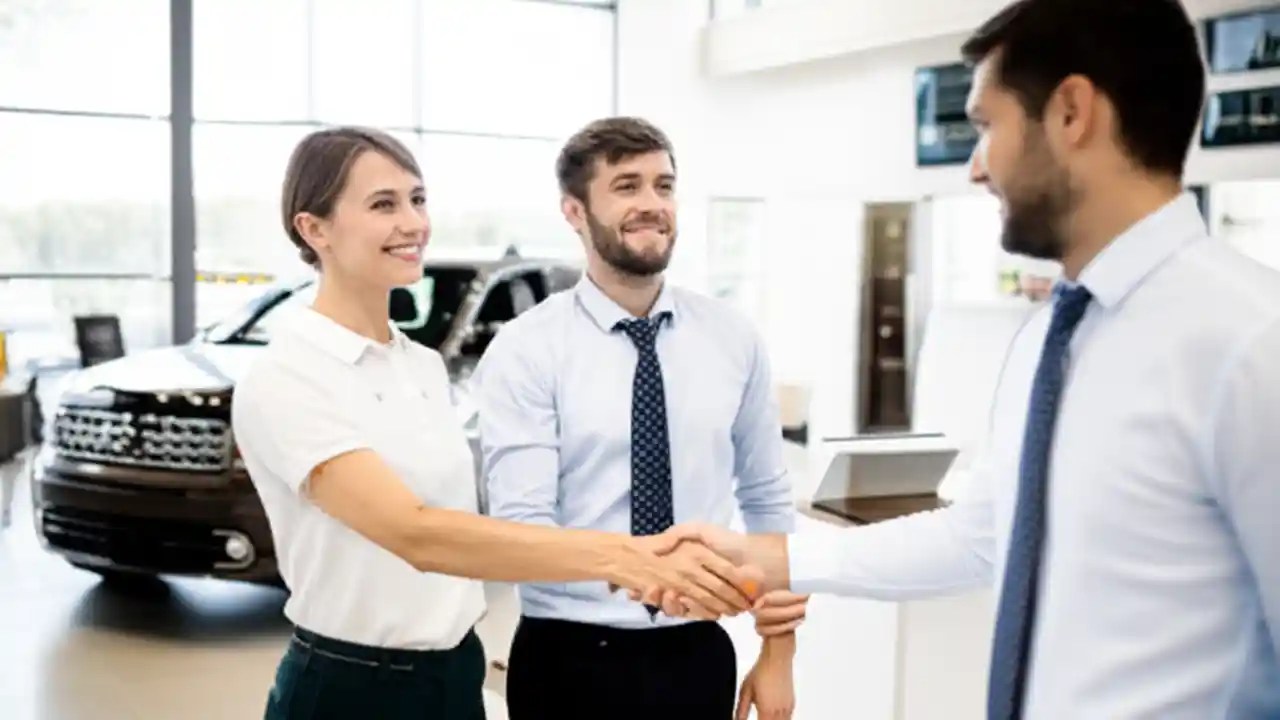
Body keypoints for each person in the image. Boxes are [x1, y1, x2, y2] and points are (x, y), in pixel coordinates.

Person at [661, 0, 1280, 717]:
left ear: (1072, 112)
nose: (974, 166)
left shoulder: (1251, 344)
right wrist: (776, 557)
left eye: (987, 126)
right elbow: (983, 533)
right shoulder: (1050, 337)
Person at [230, 127, 761, 720]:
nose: (413, 223)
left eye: (418, 199)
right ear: (314, 229)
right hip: (351, 685)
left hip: (455, 674)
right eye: (384, 204)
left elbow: (464, 526)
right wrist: (626, 557)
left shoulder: (420, 365)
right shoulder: (288, 376)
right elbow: (418, 534)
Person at [472, 116, 809, 720]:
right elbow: (522, 533)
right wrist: (642, 566)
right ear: (575, 212)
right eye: (627, 186)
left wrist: (777, 653)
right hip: (568, 656)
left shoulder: (732, 337)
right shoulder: (527, 349)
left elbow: (767, 501)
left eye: (664, 185)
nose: (652, 204)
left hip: (697, 651)